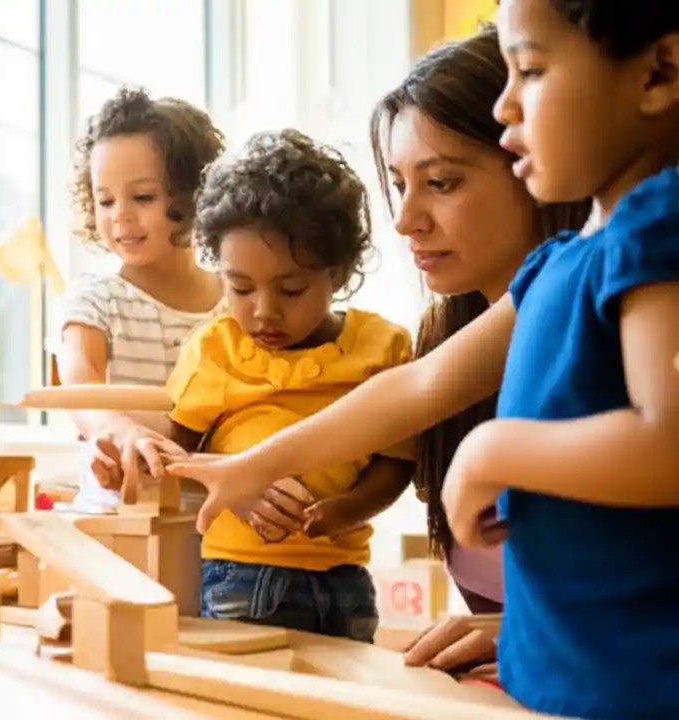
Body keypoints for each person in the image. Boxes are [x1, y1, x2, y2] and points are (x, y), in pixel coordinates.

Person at [168, 1, 679, 715]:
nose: (509, 108)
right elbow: (419, 386)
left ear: (659, 72)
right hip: (561, 680)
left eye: (529, 71)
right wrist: (255, 464)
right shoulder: (561, 266)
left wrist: (493, 451)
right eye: (401, 183)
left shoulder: (652, 234)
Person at [238, 24, 588, 678]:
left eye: (443, 183)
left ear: (534, 157)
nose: (405, 220)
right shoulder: (440, 337)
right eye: (399, 184)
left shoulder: (615, 319)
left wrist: (531, 628)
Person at [138, 129, 417, 641]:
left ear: (339, 272)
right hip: (241, 576)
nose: (263, 310)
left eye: (291, 289)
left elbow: (397, 460)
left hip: (345, 578)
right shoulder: (214, 349)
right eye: (240, 287)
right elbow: (171, 456)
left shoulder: (383, 348)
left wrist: (345, 511)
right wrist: (236, 485)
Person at [57, 86, 225, 512]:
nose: (120, 216)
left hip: (213, 519)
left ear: (194, 196)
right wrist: (116, 432)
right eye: (105, 199)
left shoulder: (235, 302)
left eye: (143, 197)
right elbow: (79, 389)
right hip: (116, 512)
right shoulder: (95, 299)